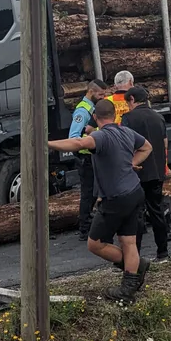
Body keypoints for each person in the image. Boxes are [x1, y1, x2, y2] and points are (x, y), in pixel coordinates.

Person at [50, 100, 152, 301]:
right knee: (128, 241)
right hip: (134, 191)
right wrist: (130, 164)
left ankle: (135, 269)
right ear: (114, 115)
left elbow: (78, 143)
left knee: (95, 244)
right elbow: (147, 147)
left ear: (95, 118)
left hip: (115, 198)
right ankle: (128, 287)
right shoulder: (127, 132)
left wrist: (47, 143)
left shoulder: (100, 136)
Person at [121, 86, 171, 263]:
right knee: (156, 210)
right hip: (157, 171)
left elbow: (125, 145)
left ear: (132, 100)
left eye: (128, 102)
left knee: (137, 213)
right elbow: (165, 143)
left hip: (137, 173)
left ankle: (134, 256)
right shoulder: (158, 116)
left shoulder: (128, 118)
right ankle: (163, 252)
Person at [70, 78, 111, 240]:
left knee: (96, 192)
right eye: (100, 94)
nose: (103, 97)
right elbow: (74, 136)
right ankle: (85, 228)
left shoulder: (92, 107)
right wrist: (93, 133)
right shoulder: (82, 111)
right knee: (88, 194)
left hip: (93, 156)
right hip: (86, 158)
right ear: (91, 92)